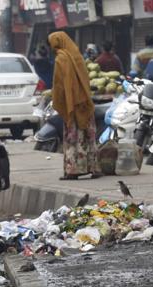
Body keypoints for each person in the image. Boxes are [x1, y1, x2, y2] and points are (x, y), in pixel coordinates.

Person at [49, 32, 101, 180]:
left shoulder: (61, 59)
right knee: (88, 137)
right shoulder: (77, 55)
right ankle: (93, 168)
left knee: (73, 138)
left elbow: (59, 86)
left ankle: (73, 170)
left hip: (71, 105)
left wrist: (58, 101)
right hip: (84, 103)